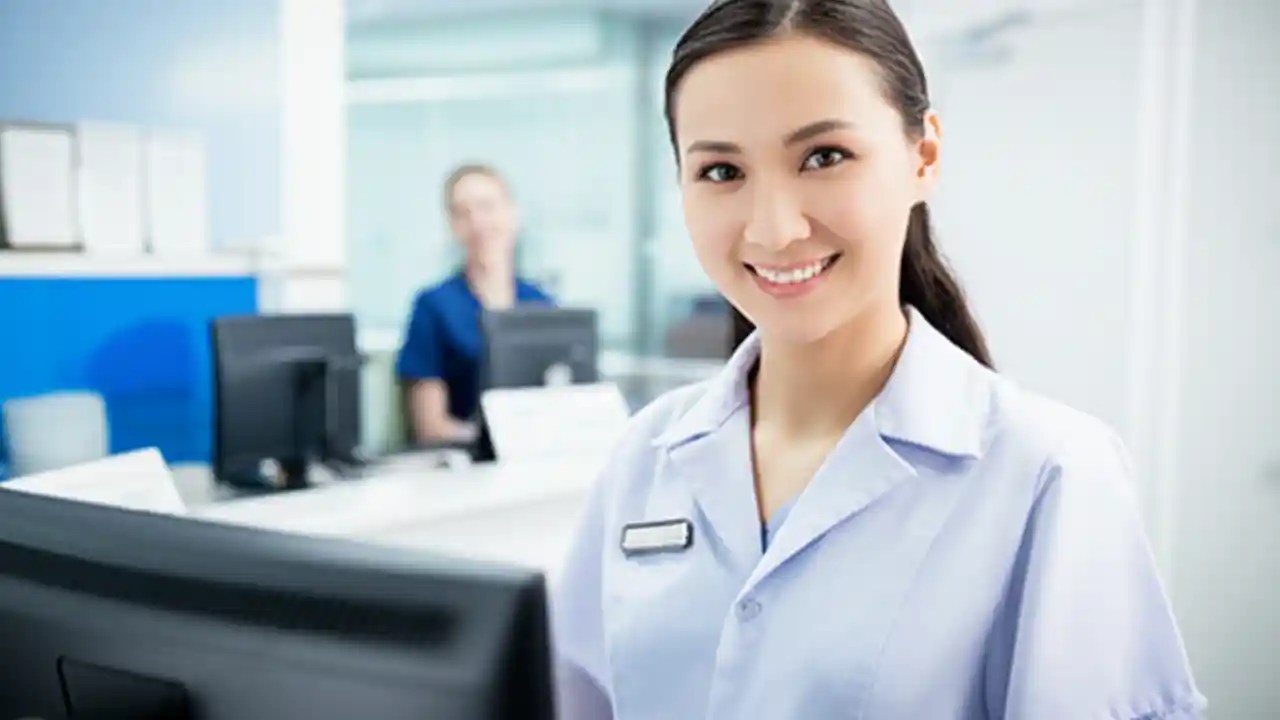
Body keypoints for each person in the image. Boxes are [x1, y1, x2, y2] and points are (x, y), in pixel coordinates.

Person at [551, 1, 1206, 718]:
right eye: (720, 170)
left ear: (923, 156)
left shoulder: (1048, 470)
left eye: (824, 157)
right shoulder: (644, 457)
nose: (774, 228)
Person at [396, 164, 552, 445]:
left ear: (513, 214)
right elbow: (429, 426)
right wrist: (497, 441)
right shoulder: (433, 307)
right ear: (451, 226)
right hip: (465, 469)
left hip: (537, 463)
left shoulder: (541, 304)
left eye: (486, 207)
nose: (477, 222)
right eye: (462, 213)